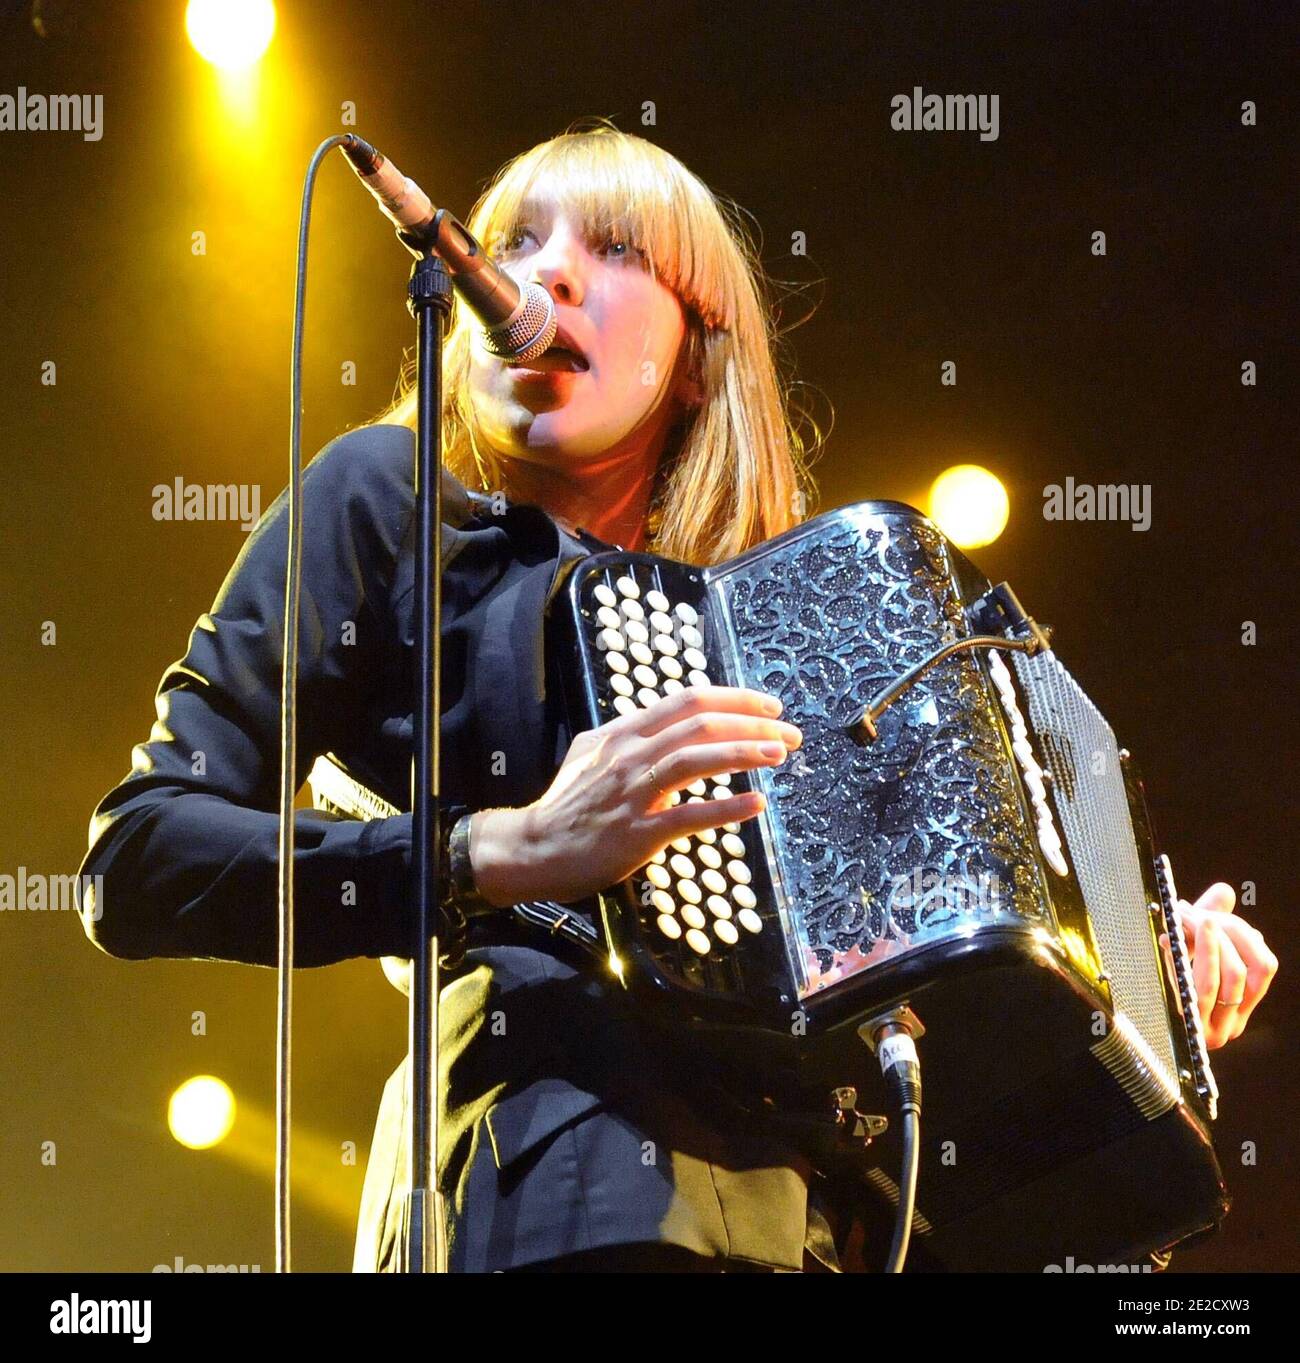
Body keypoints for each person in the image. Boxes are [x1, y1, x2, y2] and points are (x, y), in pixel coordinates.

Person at [77, 124, 1278, 1274]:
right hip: (545, 1198)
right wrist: (500, 848)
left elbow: (905, 999)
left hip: (824, 1227)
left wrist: (1130, 980)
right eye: (517, 238)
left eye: (614, 250)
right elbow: (138, 858)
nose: (541, 270)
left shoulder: (792, 636)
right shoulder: (388, 503)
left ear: (701, 353)